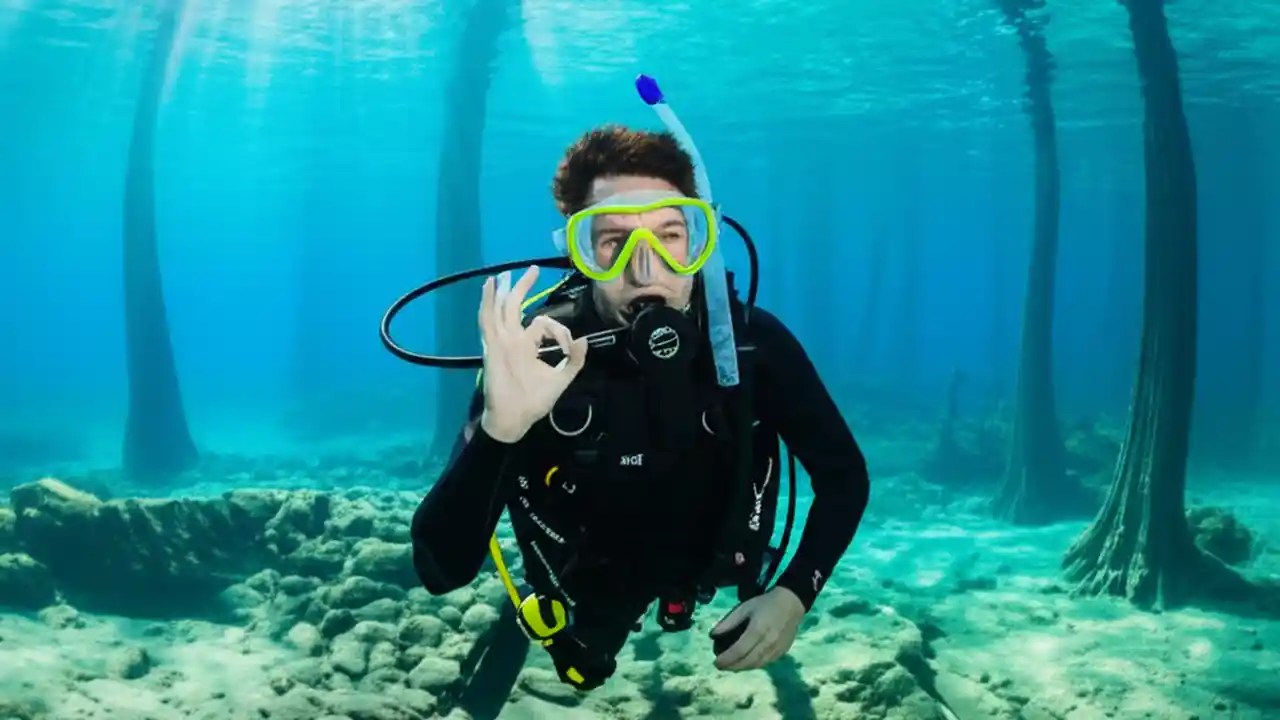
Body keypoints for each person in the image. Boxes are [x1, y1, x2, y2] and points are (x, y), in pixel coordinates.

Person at [408, 118, 869, 691]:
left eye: (671, 236)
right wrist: (500, 431)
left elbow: (845, 475)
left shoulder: (751, 345)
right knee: (583, 668)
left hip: (710, 561)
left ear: (699, 242)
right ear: (581, 256)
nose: (646, 269)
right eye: (613, 242)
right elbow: (440, 569)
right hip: (590, 573)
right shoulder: (536, 356)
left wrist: (797, 592)